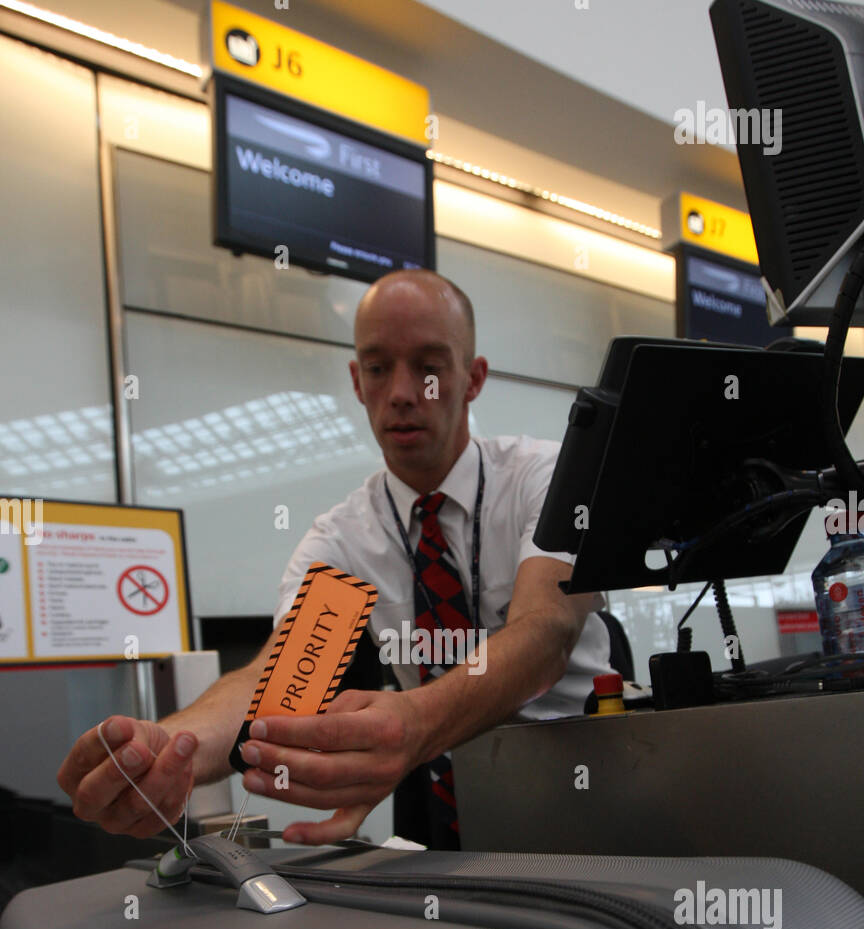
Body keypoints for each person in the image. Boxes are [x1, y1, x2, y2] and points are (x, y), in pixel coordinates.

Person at [57, 270, 611, 849]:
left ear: (472, 379)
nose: (400, 392)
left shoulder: (546, 478)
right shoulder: (346, 540)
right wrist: (165, 748)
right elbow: (281, 681)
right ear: (356, 381)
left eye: (427, 366)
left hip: (585, 781)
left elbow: (545, 632)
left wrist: (415, 722)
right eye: (377, 367)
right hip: (450, 801)